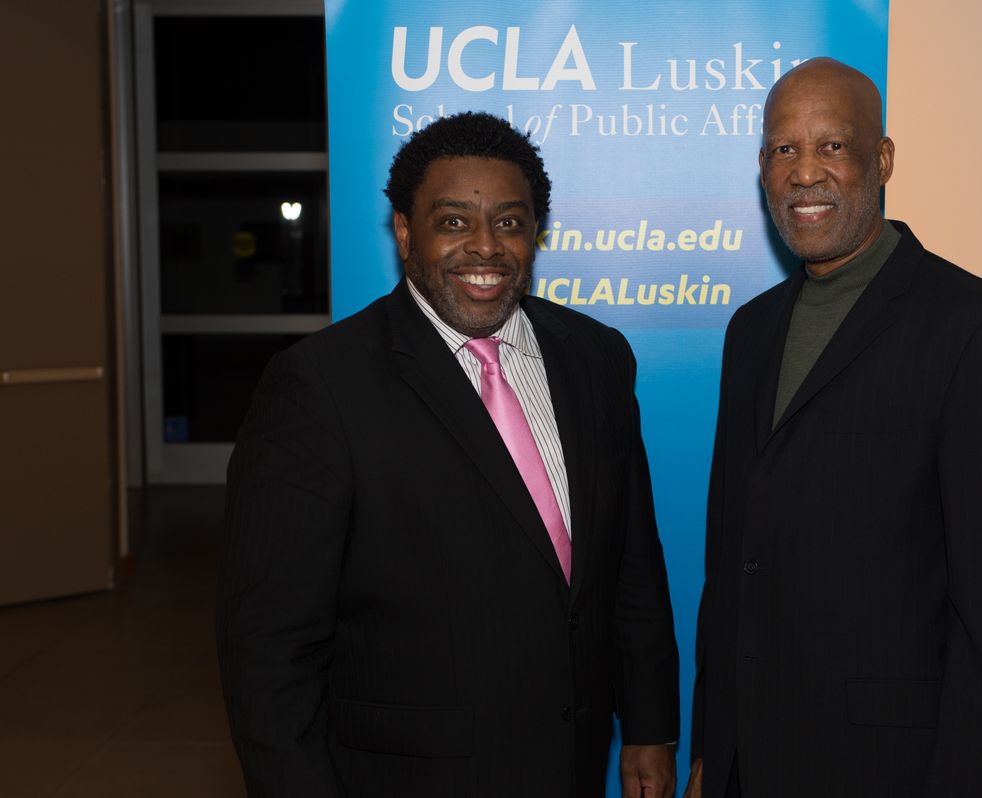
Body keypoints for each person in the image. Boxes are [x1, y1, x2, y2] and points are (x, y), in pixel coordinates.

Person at [218, 111, 679, 798]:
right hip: (407, 775)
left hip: (571, 762)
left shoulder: (596, 357)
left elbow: (629, 562)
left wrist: (648, 723)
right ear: (406, 232)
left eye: (511, 222)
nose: (486, 248)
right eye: (455, 222)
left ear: (536, 233)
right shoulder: (319, 386)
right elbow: (268, 649)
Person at [684, 58, 982, 798]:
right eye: (784, 150)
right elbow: (733, 569)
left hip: (891, 772)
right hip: (745, 766)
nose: (804, 172)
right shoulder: (750, 333)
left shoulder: (975, 329)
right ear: (762, 168)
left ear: (881, 159)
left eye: (832, 146)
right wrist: (711, 752)